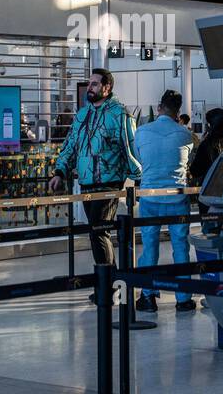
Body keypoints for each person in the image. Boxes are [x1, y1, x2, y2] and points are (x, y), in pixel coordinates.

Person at [48, 68, 141, 302]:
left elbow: (130, 146)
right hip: (87, 183)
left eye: (95, 84)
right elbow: (70, 146)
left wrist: (138, 177)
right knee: (99, 234)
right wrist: (60, 171)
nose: (90, 87)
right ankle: (113, 281)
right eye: (89, 84)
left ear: (107, 88)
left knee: (99, 233)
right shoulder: (82, 115)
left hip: (110, 183)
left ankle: (106, 288)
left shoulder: (119, 114)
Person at [133, 91, 196, 313]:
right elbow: (189, 161)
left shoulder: (141, 132)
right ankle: (183, 299)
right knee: (181, 248)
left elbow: (140, 159)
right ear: (178, 112)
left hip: (150, 197)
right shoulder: (185, 135)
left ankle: (148, 297)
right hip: (177, 198)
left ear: (159, 107)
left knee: (149, 247)